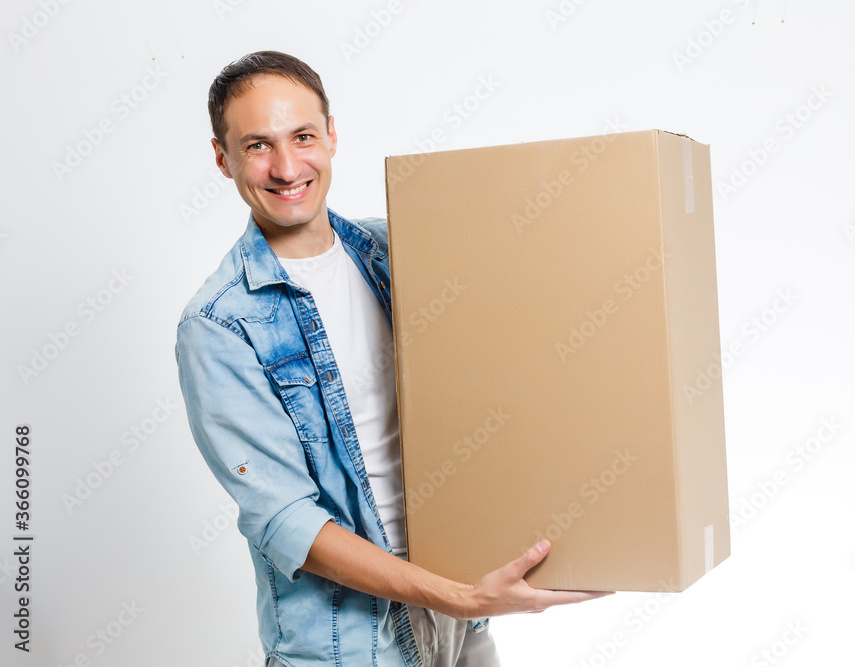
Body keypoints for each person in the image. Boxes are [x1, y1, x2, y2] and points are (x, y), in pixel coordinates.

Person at [175, 50, 608, 667]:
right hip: (345, 643)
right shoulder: (218, 325)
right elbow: (286, 522)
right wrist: (457, 595)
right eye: (257, 146)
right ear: (222, 158)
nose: (287, 166)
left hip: (463, 614)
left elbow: (505, 354)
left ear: (331, 134)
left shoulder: (398, 249)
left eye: (302, 136)